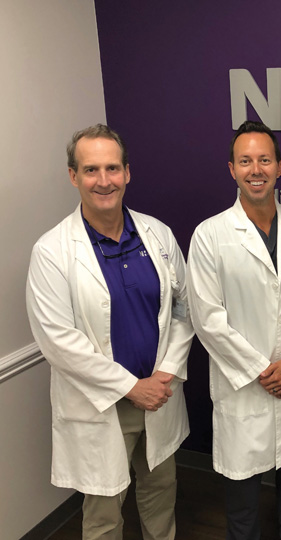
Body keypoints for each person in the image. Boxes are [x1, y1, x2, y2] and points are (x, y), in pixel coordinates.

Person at [26, 124, 193, 540]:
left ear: (127, 172)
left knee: (161, 493)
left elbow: (185, 309)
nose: (104, 181)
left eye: (113, 168)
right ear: (73, 176)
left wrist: (165, 373)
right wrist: (130, 387)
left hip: (159, 394)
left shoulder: (157, 234)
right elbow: (58, 341)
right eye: (91, 170)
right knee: (103, 515)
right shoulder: (52, 251)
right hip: (102, 404)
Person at [187, 121, 281, 540]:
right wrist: (265, 372)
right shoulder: (210, 235)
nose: (256, 170)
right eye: (246, 161)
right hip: (245, 390)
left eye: (264, 160)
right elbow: (208, 319)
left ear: (280, 167)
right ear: (232, 169)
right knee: (243, 507)